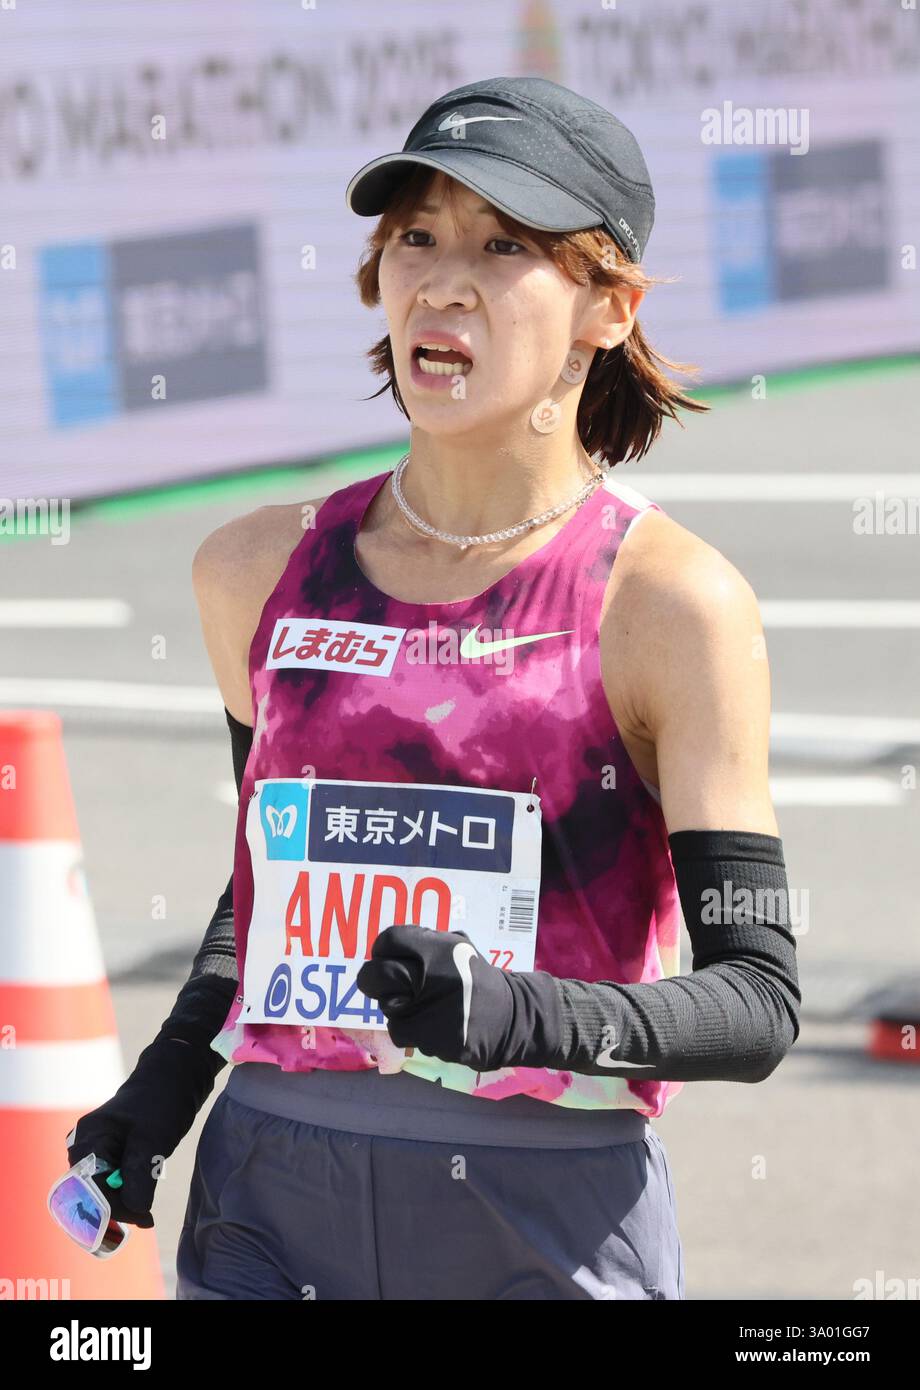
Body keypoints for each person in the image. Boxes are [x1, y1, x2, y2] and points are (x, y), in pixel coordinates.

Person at [67, 76, 800, 1301]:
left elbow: (757, 999)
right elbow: (264, 888)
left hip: (540, 1208)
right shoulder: (255, 570)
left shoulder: (670, 602)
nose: (442, 280)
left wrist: (513, 1013)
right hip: (267, 1192)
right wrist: (168, 1081)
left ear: (606, 305)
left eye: (502, 244)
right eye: (416, 234)